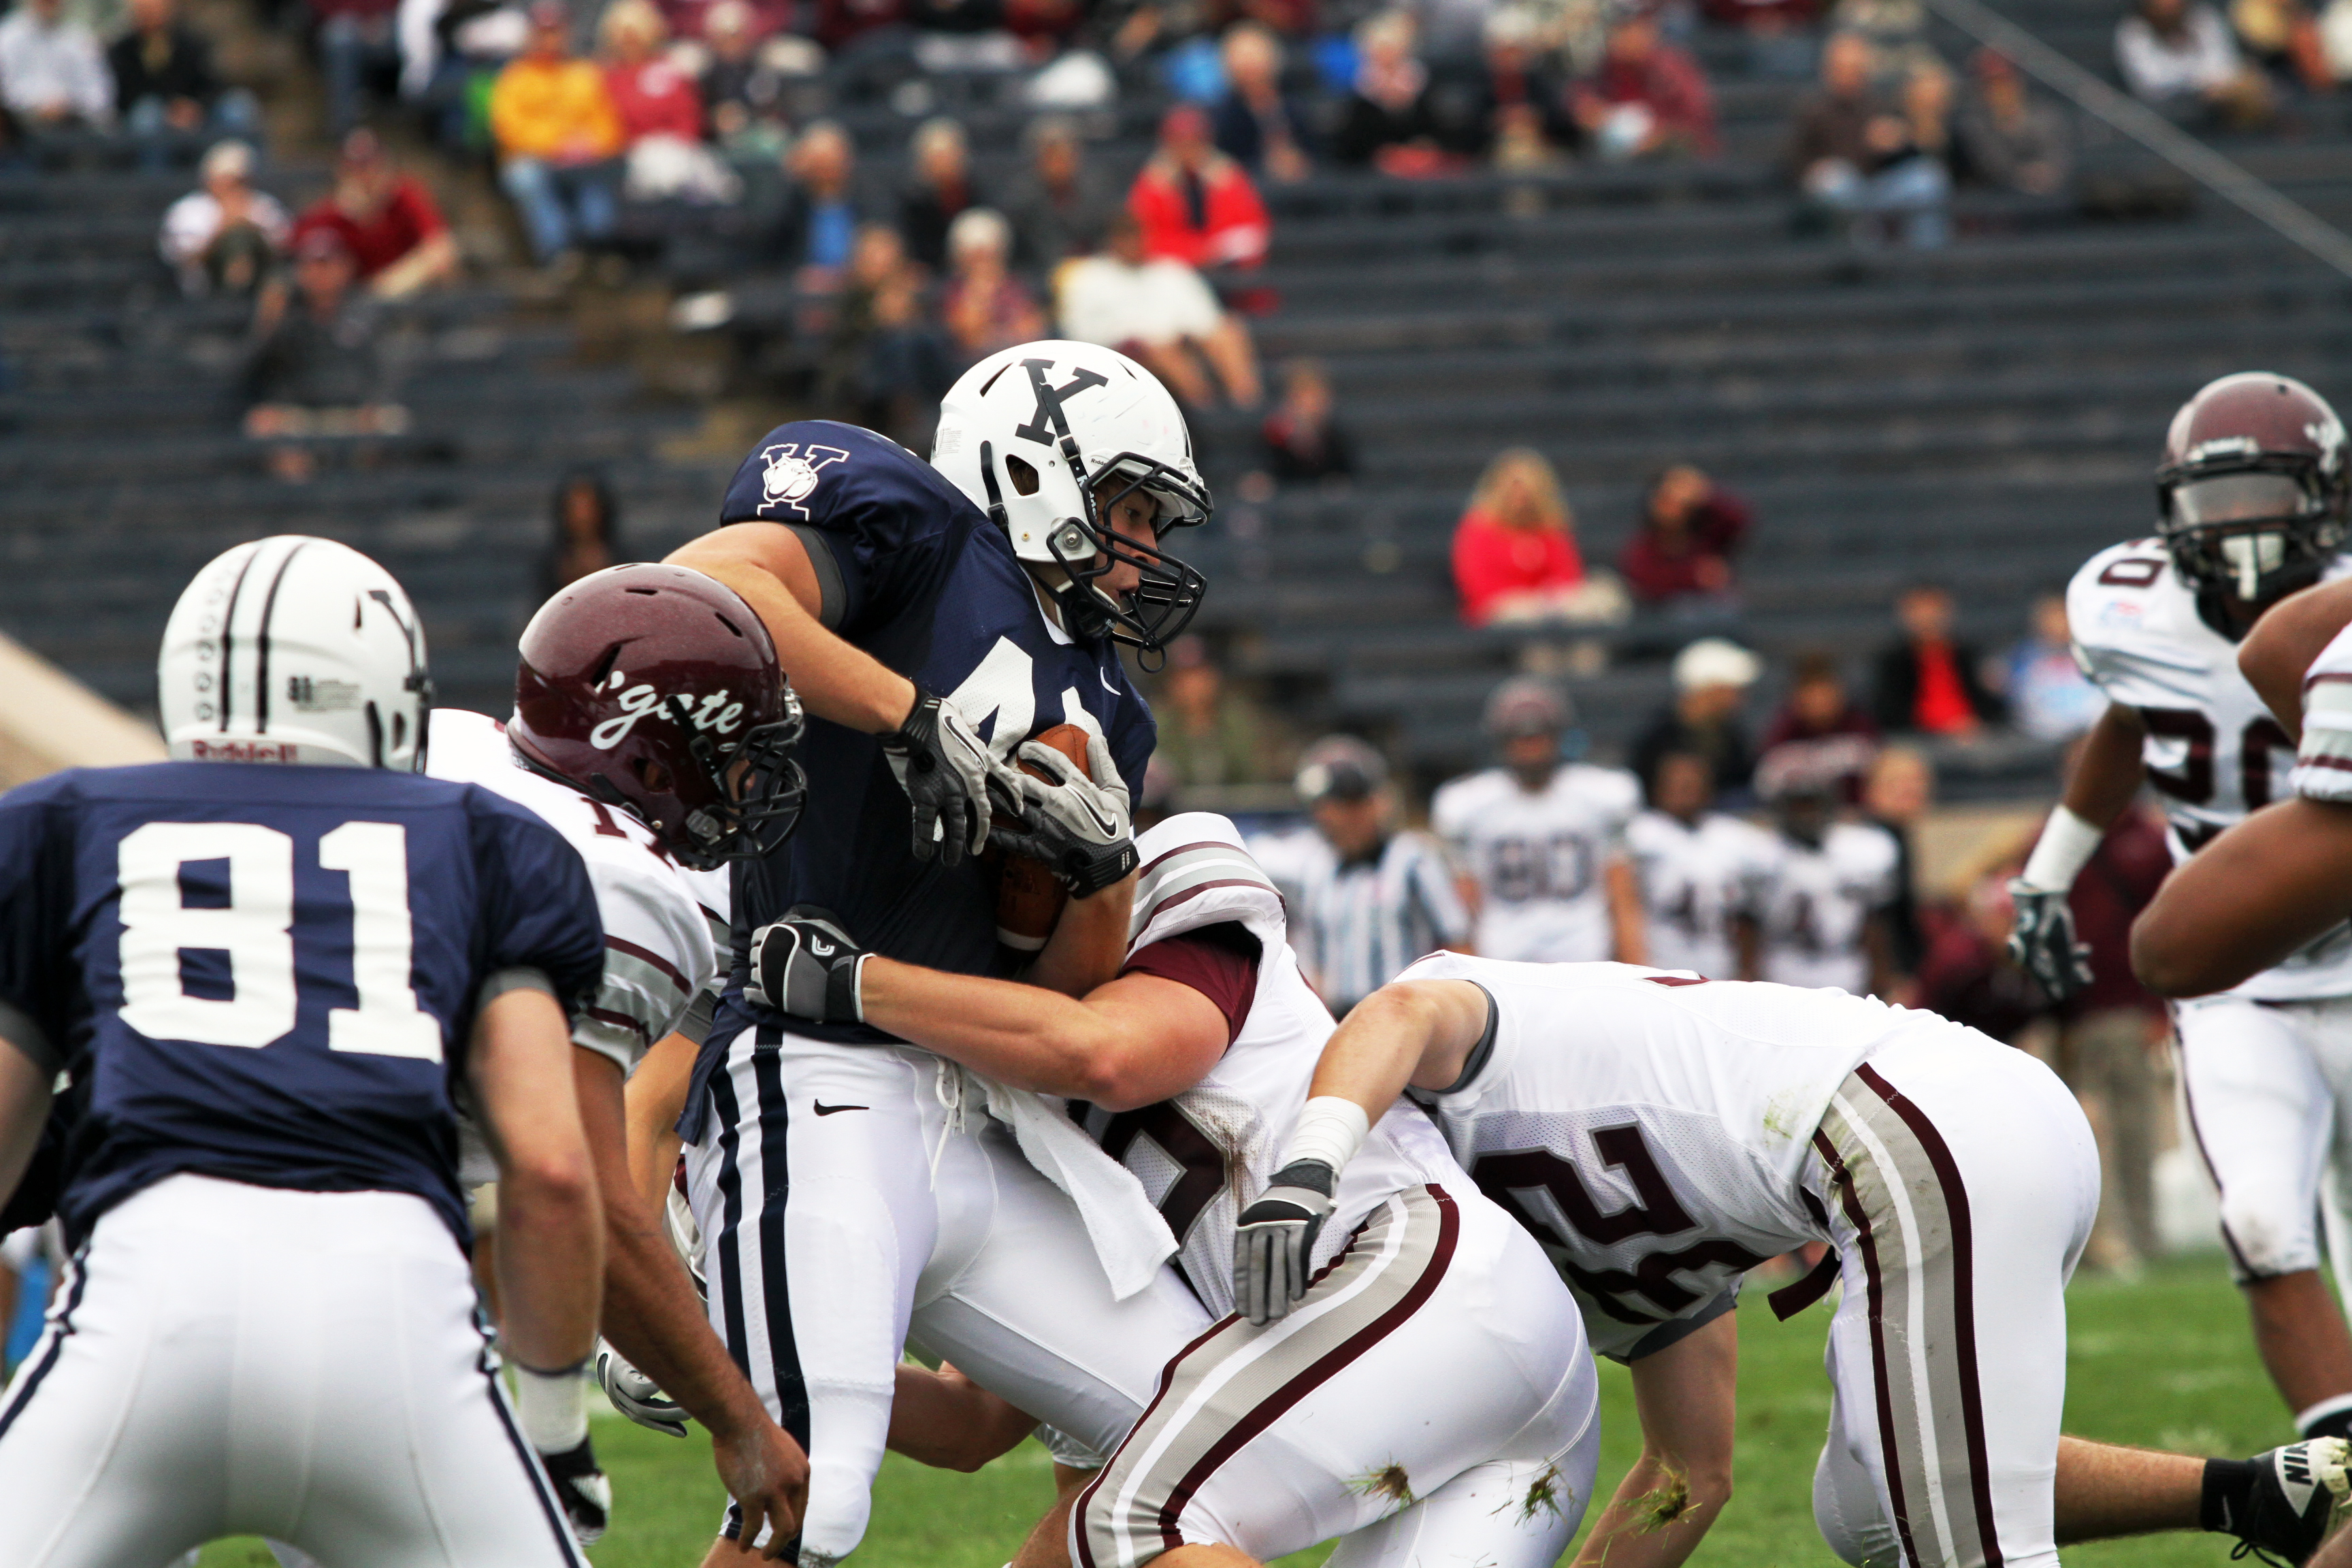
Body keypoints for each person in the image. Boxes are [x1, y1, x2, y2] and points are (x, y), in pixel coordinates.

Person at [657, 339, 1218, 1567]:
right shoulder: (916, 530)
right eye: (1130, 509)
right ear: (1033, 469)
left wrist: (1099, 872)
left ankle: (711, 1307)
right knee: (809, 1498)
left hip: (980, 1114)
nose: (1144, 547)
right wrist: (906, 712)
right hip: (816, 1069)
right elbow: (709, 587)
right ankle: (699, 1299)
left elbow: (1054, 995)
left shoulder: (1111, 706)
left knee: (1204, 1435)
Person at [1262, 956, 2352, 1568]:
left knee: (1966, 1549)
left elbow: (1401, 1007)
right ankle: (2255, 1497)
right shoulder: (1533, 1250)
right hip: (1954, 1130)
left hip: (1899, 1120)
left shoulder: (1427, 1047)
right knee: (1865, 1503)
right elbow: (1687, 1476)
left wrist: (1309, 1161)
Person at [736, 816, 1604, 1568]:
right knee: (1123, 1525)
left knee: (1129, 1522)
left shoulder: (1177, 885)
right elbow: (975, 1422)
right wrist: (758, 1352)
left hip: (1424, 1276)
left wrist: (858, 983)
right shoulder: (994, 1082)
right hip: (1449, 1377)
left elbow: (1110, 1057)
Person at [0, 536, 617, 1565]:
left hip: (150, 1300)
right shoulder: (487, 840)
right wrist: (555, 1429)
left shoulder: (58, 826)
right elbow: (551, 1169)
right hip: (394, 1313)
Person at [429, 565, 814, 1545]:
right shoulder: (618, 881)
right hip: (363, 1262)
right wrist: (738, 1418)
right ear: (652, 756)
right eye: (733, 756)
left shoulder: (447, 747)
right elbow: (577, 1190)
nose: (748, 787)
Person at [2010, 371, 2352, 1450]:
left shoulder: (2339, 610)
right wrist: (2049, 871)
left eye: (2265, 496)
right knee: (2258, 1217)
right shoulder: (2129, 607)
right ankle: (2342, 1463)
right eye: (2216, 501)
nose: (2240, 525)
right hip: (2235, 970)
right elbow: (2132, 719)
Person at [1432, 678, 1646, 964]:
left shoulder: (1600, 797)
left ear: (1557, 736)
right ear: (1501, 741)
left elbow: (1621, 894)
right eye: (1520, 737)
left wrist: (1634, 964)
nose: (1530, 747)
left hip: (1585, 958)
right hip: (1504, 960)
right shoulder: (1470, 805)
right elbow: (1463, 907)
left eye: (1539, 735)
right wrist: (1469, 970)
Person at [1271, 734, 1472, 1015]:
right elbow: (1314, 957)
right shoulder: (1316, 868)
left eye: (1348, 806)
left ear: (1374, 804)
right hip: (1338, 1015)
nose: (1336, 819)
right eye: (1327, 808)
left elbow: (1457, 941)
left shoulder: (1414, 859)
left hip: (1406, 1011)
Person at [242, 228, 406, 483]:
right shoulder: (287, 315)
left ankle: (366, 494)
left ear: (345, 268)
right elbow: (253, 372)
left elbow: (384, 368)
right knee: (261, 424)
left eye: (326, 264)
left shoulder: (364, 312)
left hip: (352, 412)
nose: (319, 274)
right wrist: (268, 323)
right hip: (301, 414)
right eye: (311, 266)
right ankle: (296, 498)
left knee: (392, 422)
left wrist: (375, 402)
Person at [1057, 213, 1263, 408]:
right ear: (1112, 240)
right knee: (1163, 353)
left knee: (1229, 331)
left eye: (1137, 235)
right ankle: (1204, 411)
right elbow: (1079, 334)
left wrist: (1183, 336)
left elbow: (1205, 319)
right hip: (1128, 358)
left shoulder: (1170, 270)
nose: (1133, 243)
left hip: (1182, 343)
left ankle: (1248, 407)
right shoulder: (1088, 278)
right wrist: (1138, 341)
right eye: (1125, 237)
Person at [1753, 746, 1900, 996]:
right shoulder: (1760, 853)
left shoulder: (1863, 848)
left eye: (1813, 805)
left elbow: (1876, 922)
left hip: (1844, 964)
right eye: (1799, 807)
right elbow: (1749, 924)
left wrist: (1881, 975)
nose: (1807, 815)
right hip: (1782, 964)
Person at [1786, 31, 1951, 249]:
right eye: (1844, 68)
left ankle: (1928, 255)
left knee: (1927, 177)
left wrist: (1895, 143)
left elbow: (1904, 154)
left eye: (1857, 69)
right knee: (1835, 177)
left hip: (1876, 187)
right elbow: (1796, 160)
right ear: (1829, 70)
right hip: (1840, 192)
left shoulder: (1878, 104)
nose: (1850, 75)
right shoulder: (1812, 109)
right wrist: (1815, 169)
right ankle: (1866, 254)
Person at [491, 1, 625, 267]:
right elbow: (509, 130)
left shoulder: (585, 73)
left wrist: (591, 145)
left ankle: (599, 248)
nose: (549, 39)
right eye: (543, 32)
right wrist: (557, 144)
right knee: (525, 176)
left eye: (556, 31)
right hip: (535, 159)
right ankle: (559, 253)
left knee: (601, 172)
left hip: (583, 159)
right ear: (531, 35)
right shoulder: (515, 76)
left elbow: (609, 124)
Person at [1626, 749, 1773, 979]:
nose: (1685, 792)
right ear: (1658, 788)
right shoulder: (1641, 833)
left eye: (1692, 784)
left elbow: (1748, 915)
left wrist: (1746, 969)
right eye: (1677, 784)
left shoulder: (1734, 837)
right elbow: (1625, 906)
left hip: (1719, 967)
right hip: (1659, 966)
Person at [1451, 447, 1625, 627]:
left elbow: (1568, 576)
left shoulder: (1551, 526)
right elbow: (1480, 588)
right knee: (1528, 621)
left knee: (1604, 591)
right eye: (1514, 487)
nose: (1521, 496)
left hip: (1552, 608)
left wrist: (1547, 600)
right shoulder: (1479, 528)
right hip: (1502, 613)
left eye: (1529, 489)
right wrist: (1533, 601)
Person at [291, 129, 461, 299]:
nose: (367, 177)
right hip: (353, 303)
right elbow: (296, 255)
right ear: (343, 172)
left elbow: (442, 250)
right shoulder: (329, 215)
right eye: (357, 169)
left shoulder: (405, 197)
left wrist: (385, 288)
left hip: (412, 298)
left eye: (372, 167)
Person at [1129, 103, 1273, 275]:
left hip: (1229, 270)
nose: (1187, 148)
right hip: (1174, 272)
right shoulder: (1153, 182)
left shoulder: (1227, 175)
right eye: (1179, 141)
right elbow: (1145, 237)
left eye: (1194, 140)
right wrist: (1196, 251)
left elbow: (1253, 227)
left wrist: (1215, 250)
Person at [108, 0, 258, 167]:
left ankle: (239, 172)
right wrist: (170, 108)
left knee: (238, 105)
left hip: (197, 112)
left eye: (157, 9)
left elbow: (212, 83)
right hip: (154, 117)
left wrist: (196, 106)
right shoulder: (123, 50)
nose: (152, 15)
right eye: (145, 10)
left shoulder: (192, 43)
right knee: (147, 114)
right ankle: (153, 178)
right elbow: (124, 94)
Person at [1569, 8, 1718, 160]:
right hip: (1618, 153)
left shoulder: (1672, 67)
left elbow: (1697, 119)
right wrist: (1590, 112)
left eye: (1630, 30)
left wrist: (1659, 136)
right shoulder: (1606, 68)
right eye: (1619, 30)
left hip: (1676, 157)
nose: (1622, 38)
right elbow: (1582, 99)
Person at [1631, 636, 1762, 799]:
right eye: (1731, 691)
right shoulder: (1659, 740)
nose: (1738, 700)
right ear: (1706, 690)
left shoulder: (1734, 738)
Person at [159, 136, 289, 297]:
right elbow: (182, 257)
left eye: (239, 181)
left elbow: (284, 248)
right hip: (204, 287)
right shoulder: (189, 208)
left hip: (260, 282)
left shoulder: (264, 204)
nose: (233, 187)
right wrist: (223, 228)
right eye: (227, 179)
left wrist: (251, 228)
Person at [1872, 581, 2006, 737]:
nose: (1928, 617)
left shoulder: (1970, 657)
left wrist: (1974, 724)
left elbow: (1992, 705)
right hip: (1920, 738)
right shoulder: (1892, 663)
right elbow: (1889, 712)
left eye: (1935, 609)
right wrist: (1942, 727)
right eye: (1919, 610)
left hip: (1973, 737)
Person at [2117, 0, 2274, 125]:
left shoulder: (2203, 18)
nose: (2170, 4)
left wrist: (2215, 85)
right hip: (2166, 106)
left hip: (2217, 96)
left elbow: (2225, 63)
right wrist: (2200, 84)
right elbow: (2152, 81)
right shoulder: (2133, 31)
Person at [1151, 634, 1274, 789]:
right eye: (1183, 677)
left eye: (1199, 675)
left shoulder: (1238, 719)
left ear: (1214, 677)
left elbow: (1254, 775)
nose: (1192, 685)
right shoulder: (1155, 724)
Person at [1616, 464, 1750, 606]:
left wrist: (1704, 492)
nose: (1673, 509)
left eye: (1680, 504)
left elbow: (1738, 518)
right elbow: (1649, 583)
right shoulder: (1642, 547)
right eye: (1666, 501)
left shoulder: (1707, 537)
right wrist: (1695, 576)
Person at [1757, 649, 1880, 801]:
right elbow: (1766, 790)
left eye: (1826, 694)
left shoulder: (1861, 727)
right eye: (1812, 695)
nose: (1820, 702)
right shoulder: (1781, 733)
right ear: (1796, 698)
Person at [1003, 115, 1117, 274]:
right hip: (1038, 274)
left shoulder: (1097, 191)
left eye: (1064, 157)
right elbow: (1022, 252)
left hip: (1092, 273)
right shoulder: (1021, 199)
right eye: (1051, 157)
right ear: (1037, 160)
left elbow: (1104, 239)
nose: (1058, 165)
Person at [1955, 47, 2071, 195]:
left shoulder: (2045, 113)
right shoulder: (1972, 123)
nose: (1999, 89)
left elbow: (2058, 156)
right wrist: (2003, 122)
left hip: (2050, 193)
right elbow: (1992, 165)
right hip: (1994, 195)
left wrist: (2044, 172)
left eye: (2004, 80)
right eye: (1991, 83)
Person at [941, 207, 1047, 368]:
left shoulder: (1019, 287)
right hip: (970, 368)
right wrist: (980, 293)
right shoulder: (954, 291)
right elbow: (967, 337)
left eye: (988, 255)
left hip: (1019, 365)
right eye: (975, 257)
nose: (983, 263)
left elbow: (1031, 334)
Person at [1334, 9, 1440, 167]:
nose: (1387, 55)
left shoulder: (1420, 85)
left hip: (1418, 167)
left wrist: (1422, 146)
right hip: (1370, 171)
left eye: (1392, 48)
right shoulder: (1360, 92)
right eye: (1381, 49)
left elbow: (1433, 132)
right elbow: (1349, 146)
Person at [1212, 20, 1312, 181]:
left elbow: (1317, 152)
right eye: (1244, 68)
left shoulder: (1296, 109)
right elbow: (1227, 164)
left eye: (1256, 65)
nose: (1251, 73)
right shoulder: (1226, 118)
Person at [768, 120, 866, 280]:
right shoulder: (792, 205)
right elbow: (769, 242)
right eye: (819, 164)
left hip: (857, 282)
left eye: (832, 163)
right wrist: (790, 178)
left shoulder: (869, 199)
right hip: (802, 286)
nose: (826, 172)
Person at [2002, 591, 2102, 741]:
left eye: (2061, 617)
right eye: (2050, 618)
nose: (2057, 625)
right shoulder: (2023, 655)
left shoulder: (2094, 652)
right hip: (2039, 736)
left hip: (2092, 734)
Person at [0, 0, 112, 133]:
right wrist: (41, 105)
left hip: (76, 125)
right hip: (21, 127)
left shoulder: (81, 38)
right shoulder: (7, 37)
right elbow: (7, 92)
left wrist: (68, 105)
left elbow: (100, 94)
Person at [896, 116, 982, 274]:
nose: (943, 165)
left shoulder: (977, 197)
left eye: (949, 157)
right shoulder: (912, 206)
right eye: (937, 159)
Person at [1256, 358, 1354, 485]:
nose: (1310, 403)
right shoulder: (1272, 438)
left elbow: (1347, 476)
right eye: (1303, 396)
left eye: (1316, 395)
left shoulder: (1336, 440)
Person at [540, 466, 622, 594]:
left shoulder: (621, 559)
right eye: (575, 507)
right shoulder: (551, 564)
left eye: (588, 506)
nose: (582, 516)